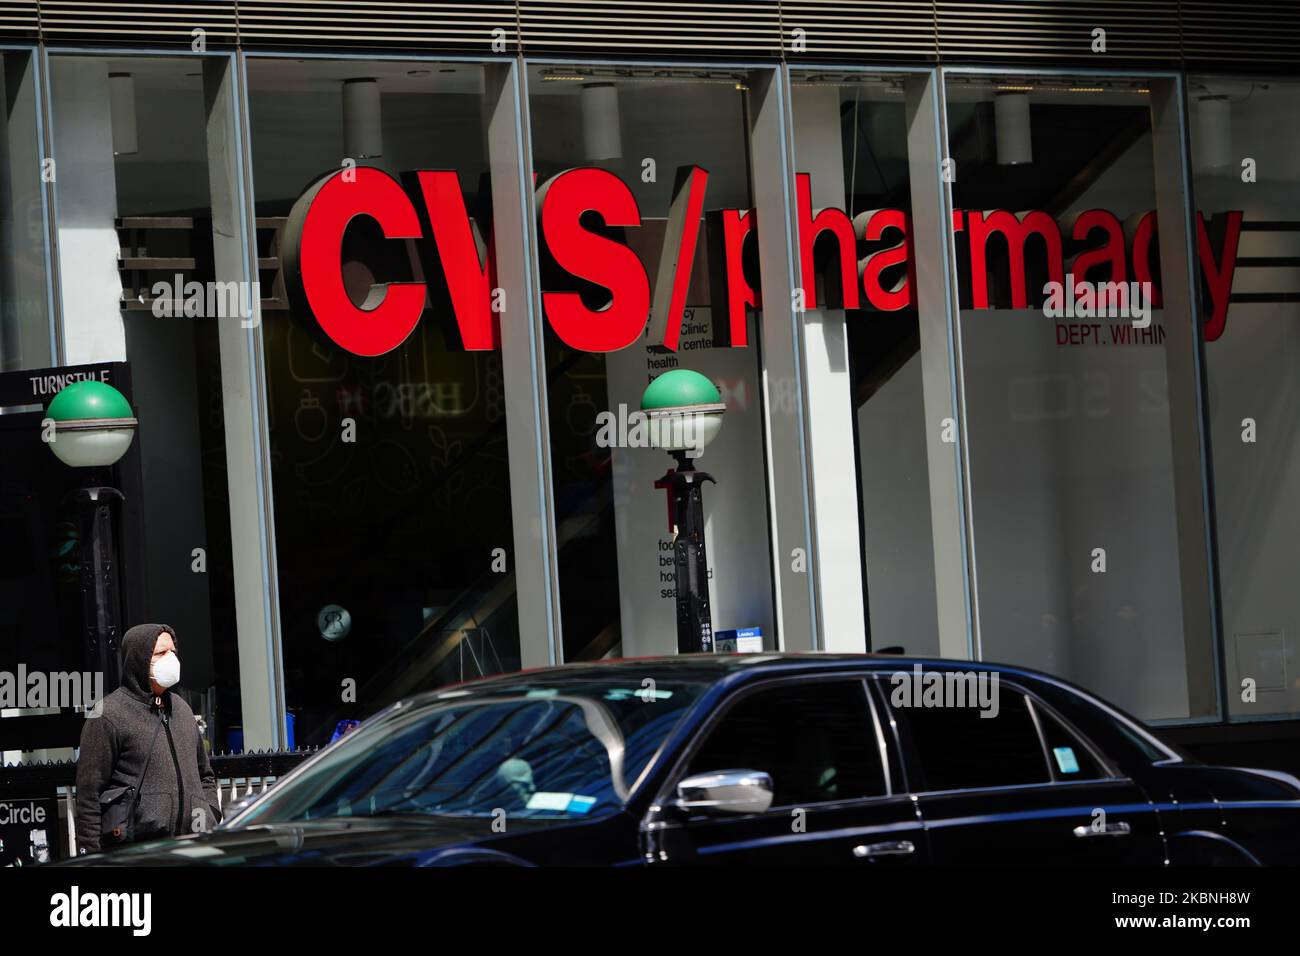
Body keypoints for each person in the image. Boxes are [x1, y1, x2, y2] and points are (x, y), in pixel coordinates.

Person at [74, 623, 222, 855]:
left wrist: (210, 812)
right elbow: (89, 795)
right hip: (136, 851)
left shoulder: (182, 709)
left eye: (173, 652)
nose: (171, 659)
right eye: (162, 653)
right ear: (139, 659)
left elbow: (205, 776)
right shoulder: (106, 713)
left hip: (192, 847)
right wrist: (94, 856)